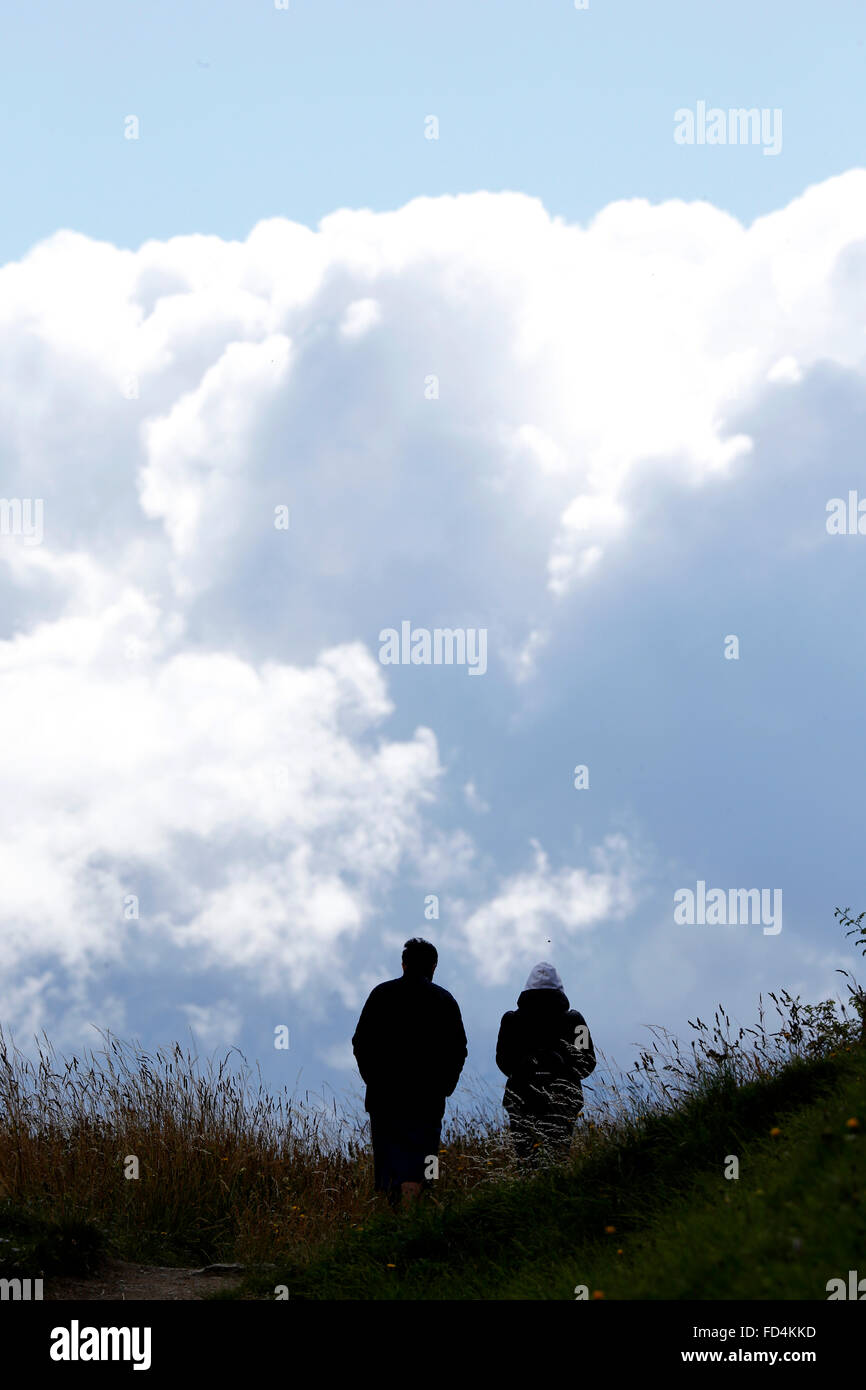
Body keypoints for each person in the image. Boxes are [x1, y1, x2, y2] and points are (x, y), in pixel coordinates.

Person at [352, 938, 467, 1207]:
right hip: (427, 1099)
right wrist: (444, 1086)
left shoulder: (381, 995)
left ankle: (398, 1227)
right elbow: (458, 1049)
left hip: (385, 1098)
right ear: (433, 966)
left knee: (390, 1166)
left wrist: (373, 1080)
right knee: (422, 1166)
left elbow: (361, 1042)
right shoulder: (444, 1000)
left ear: (403, 964)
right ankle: (414, 1225)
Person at [496, 961, 596, 1167]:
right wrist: (562, 1070)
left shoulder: (511, 1021)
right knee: (557, 1158)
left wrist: (526, 1069)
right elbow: (587, 1062)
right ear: (560, 990)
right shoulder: (574, 1020)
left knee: (526, 1160)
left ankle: (529, 1194)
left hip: (521, 1099)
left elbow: (503, 1060)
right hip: (563, 1100)